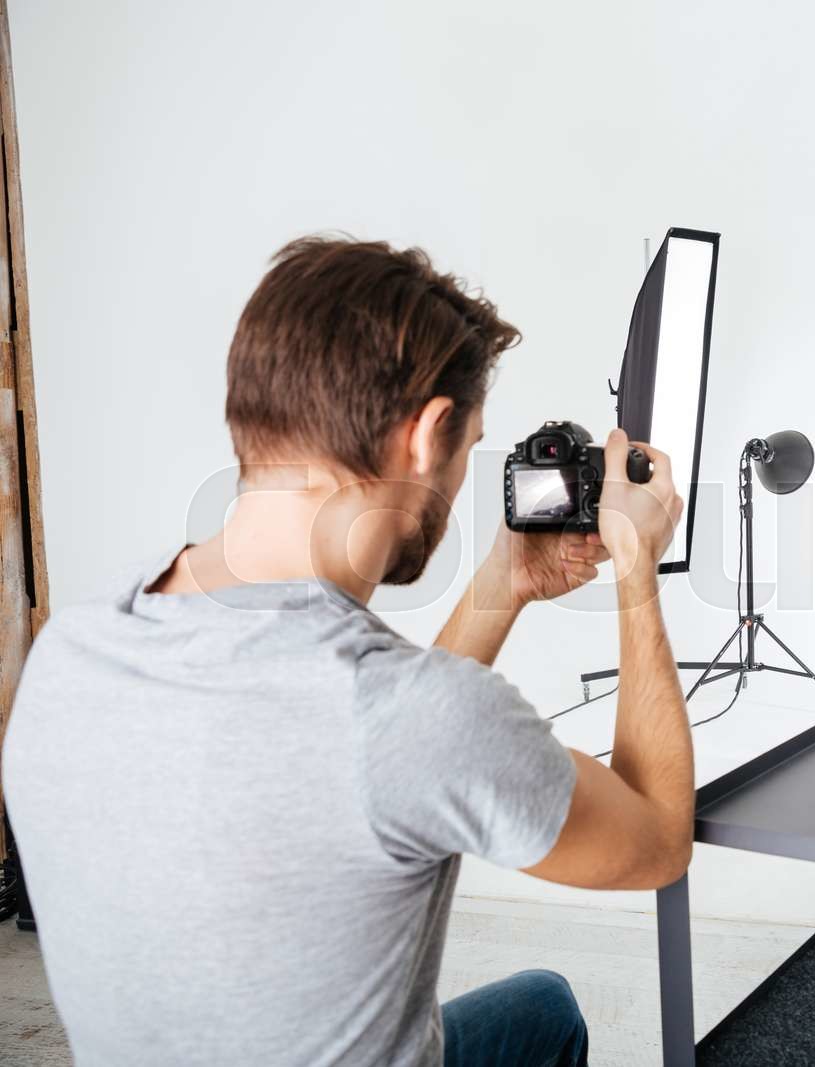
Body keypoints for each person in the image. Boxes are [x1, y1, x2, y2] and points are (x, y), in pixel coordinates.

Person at [1, 236, 695, 1067]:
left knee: (538, 1010)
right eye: (467, 448)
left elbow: (388, 739)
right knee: (551, 1010)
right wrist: (637, 570)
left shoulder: (68, 653)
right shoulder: (402, 718)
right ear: (426, 435)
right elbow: (658, 841)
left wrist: (505, 582)